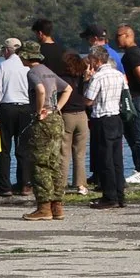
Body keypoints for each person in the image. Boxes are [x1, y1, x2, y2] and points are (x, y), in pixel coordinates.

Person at [33, 18, 90, 196]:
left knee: (63, 151)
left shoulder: (61, 78)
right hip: (82, 114)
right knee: (79, 153)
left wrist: (55, 107)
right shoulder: (80, 77)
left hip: (66, 113)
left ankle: (61, 184)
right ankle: (81, 185)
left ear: (40, 33)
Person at [22, 48, 70, 221]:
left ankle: (44, 207)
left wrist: (39, 111)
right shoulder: (48, 71)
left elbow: (40, 90)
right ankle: (57, 206)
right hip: (57, 120)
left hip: (43, 121)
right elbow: (68, 89)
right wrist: (56, 108)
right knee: (54, 162)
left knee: (39, 163)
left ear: (26, 57)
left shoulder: (33, 72)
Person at [83, 45, 127, 208]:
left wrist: (86, 81)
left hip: (102, 118)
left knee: (105, 159)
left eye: (90, 60)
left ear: (96, 60)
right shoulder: (119, 75)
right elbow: (125, 95)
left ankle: (109, 196)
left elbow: (89, 100)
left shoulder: (98, 77)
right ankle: (120, 194)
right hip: (116, 117)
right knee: (117, 159)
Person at [0, 39, 31, 198]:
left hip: (6, 108)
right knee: (24, 149)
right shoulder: (27, 66)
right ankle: (25, 184)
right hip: (26, 109)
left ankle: (4, 186)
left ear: (7, 50)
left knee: (3, 150)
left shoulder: (3, 66)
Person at [115, 23, 140, 184]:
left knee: (137, 133)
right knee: (131, 133)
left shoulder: (132, 55)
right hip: (136, 97)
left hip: (137, 97)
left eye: (118, 36)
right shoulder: (132, 54)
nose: (116, 39)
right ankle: (139, 167)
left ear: (127, 35)